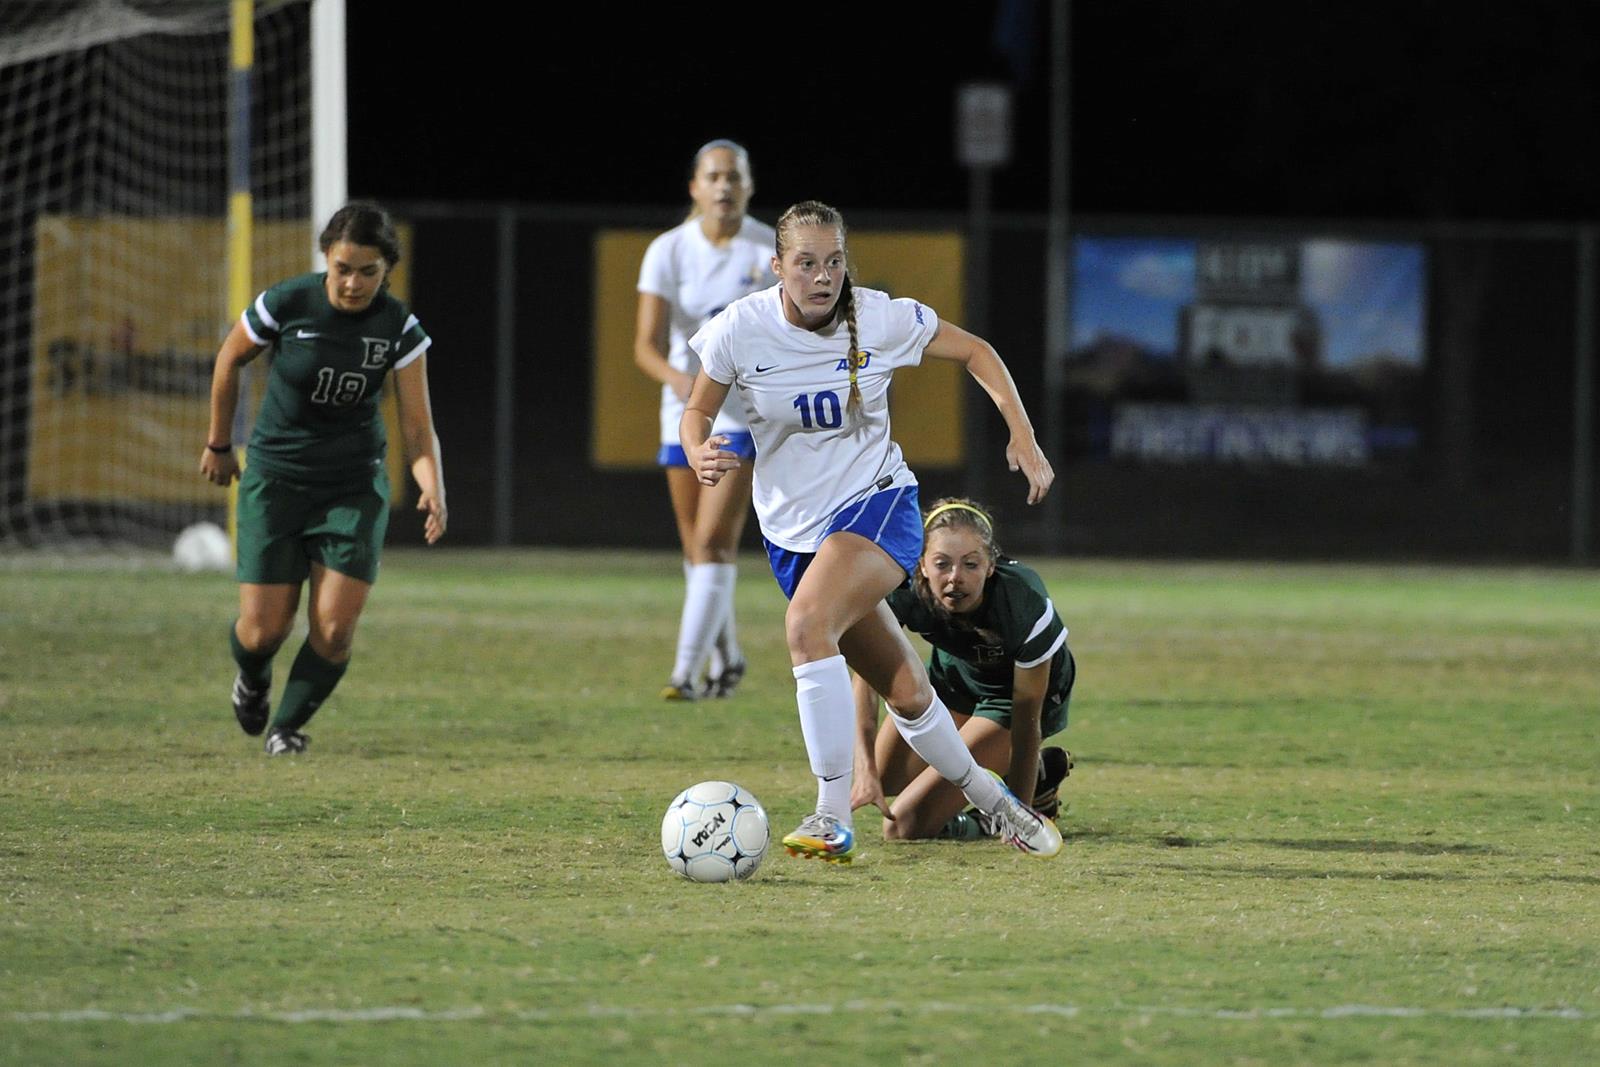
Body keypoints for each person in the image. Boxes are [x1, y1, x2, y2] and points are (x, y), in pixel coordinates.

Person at [682, 199, 1063, 862]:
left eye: (835, 261)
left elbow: (975, 350)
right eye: (807, 263)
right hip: (791, 535)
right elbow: (696, 409)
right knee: (909, 691)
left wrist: (1022, 432)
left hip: (877, 506)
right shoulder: (739, 329)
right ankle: (999, 804)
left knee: (806, 627)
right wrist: (696, 449)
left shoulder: (877, 317)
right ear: (777, 267)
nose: (824, 275)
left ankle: (830, 814)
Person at [200, 201, 446, 755]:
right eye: (342, 268)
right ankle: (253, 677)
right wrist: (219, 443)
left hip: (351, 489)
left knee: (334, 631)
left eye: (368, 272)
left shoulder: (399, 327)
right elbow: (227, 360)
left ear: (387, 272)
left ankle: (285, 729)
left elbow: (416, 425)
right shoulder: (288, 302)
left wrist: (432, 483)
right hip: (275, 480)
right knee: (263, 631)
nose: (353, 283)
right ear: (326, 260)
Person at [634, 139, 774, 701]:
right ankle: (730, 658)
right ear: (694, 186)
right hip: (685, 416)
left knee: (715, 542)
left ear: (748, 186)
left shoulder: (769, 249)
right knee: (696, 548)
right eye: (713, 177)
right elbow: (644, 346)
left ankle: (683, 674)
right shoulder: (668, 250)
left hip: (745, 417)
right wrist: (682, 382)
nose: (723, 187)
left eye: (733, 178)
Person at [850, 498, 1075, 842]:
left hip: (1011, 700)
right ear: (922, 565)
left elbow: (1027, 719)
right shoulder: (902, 586)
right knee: (883, 778)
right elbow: (867, 678)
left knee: (902, 826)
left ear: (990, 566)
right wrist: (864, 767)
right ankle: (1038, 777)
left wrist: (1018, 814)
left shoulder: (1022, 602)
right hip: (955, 676)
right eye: (942, 564)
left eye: (971, 564)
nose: (956, 578)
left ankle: (990, 816)